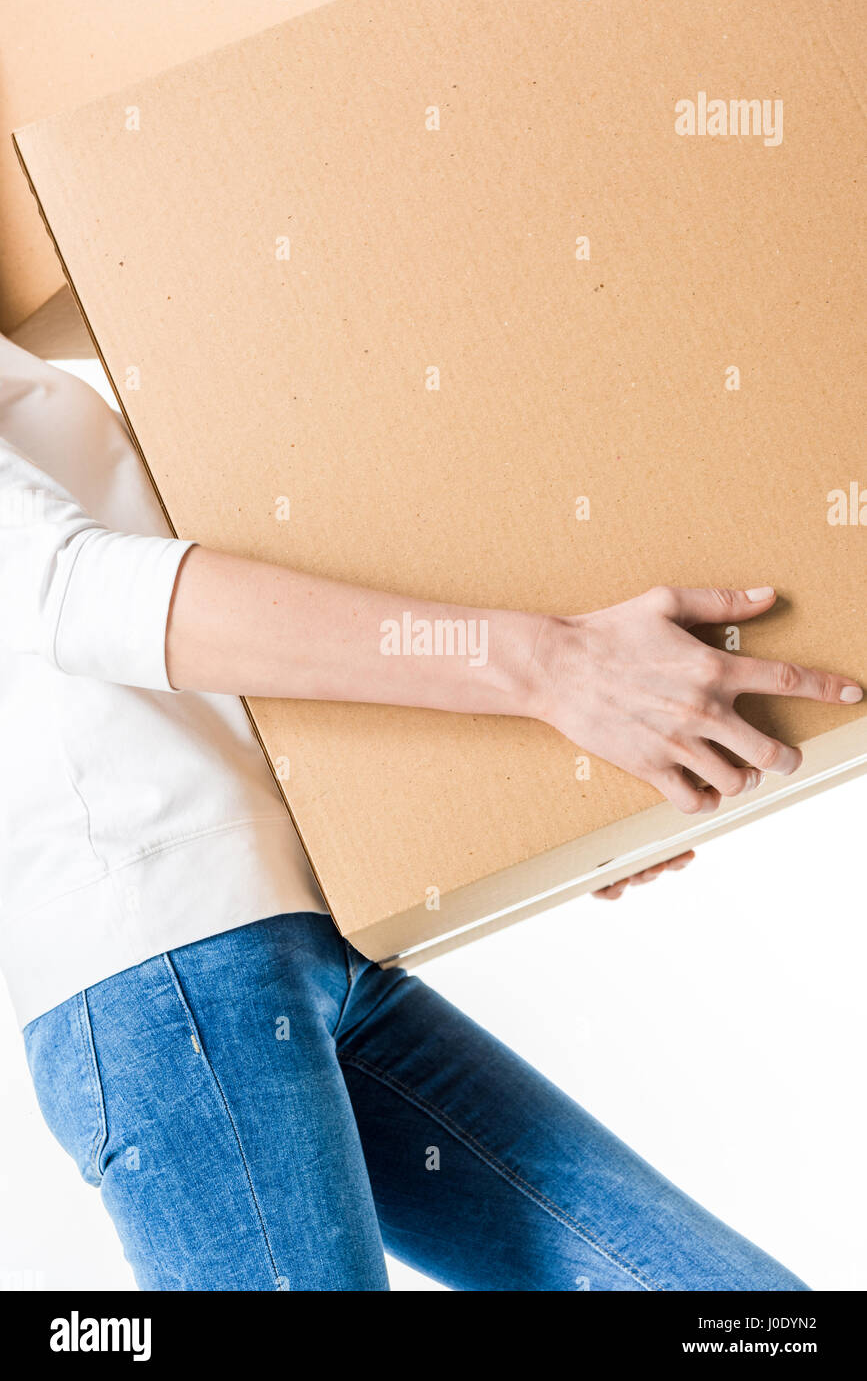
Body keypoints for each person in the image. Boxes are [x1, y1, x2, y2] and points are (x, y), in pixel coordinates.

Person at [1, 332, 860, 1291]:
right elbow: (73, 594)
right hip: (158, 959)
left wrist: (546, 806)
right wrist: (559, 669)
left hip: (305, 926)